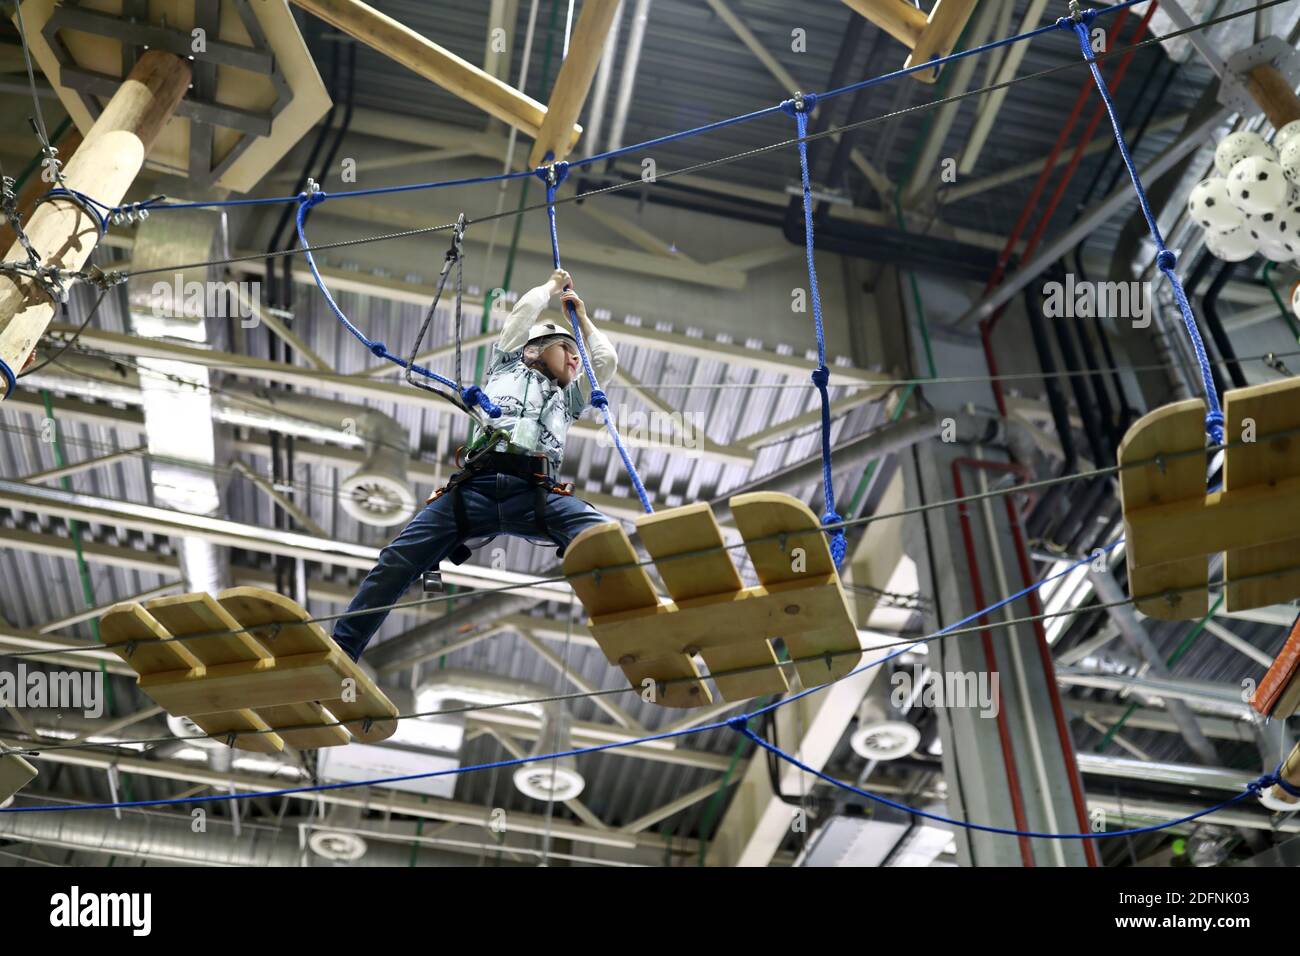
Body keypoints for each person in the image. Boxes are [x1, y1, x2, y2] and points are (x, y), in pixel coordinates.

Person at [331, 269, 617, 662]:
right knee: (398, 559)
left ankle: (637, 624)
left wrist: (580, 320)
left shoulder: (568, 400)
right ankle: (342, 649)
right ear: (533, 351)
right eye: (565, 348)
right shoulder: (504, 368)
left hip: (534, 494)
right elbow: (522, 314)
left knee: (603, 537)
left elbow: (605, 359)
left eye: (574, 352)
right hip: (473, 491)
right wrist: (551, 288)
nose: (574, 358)